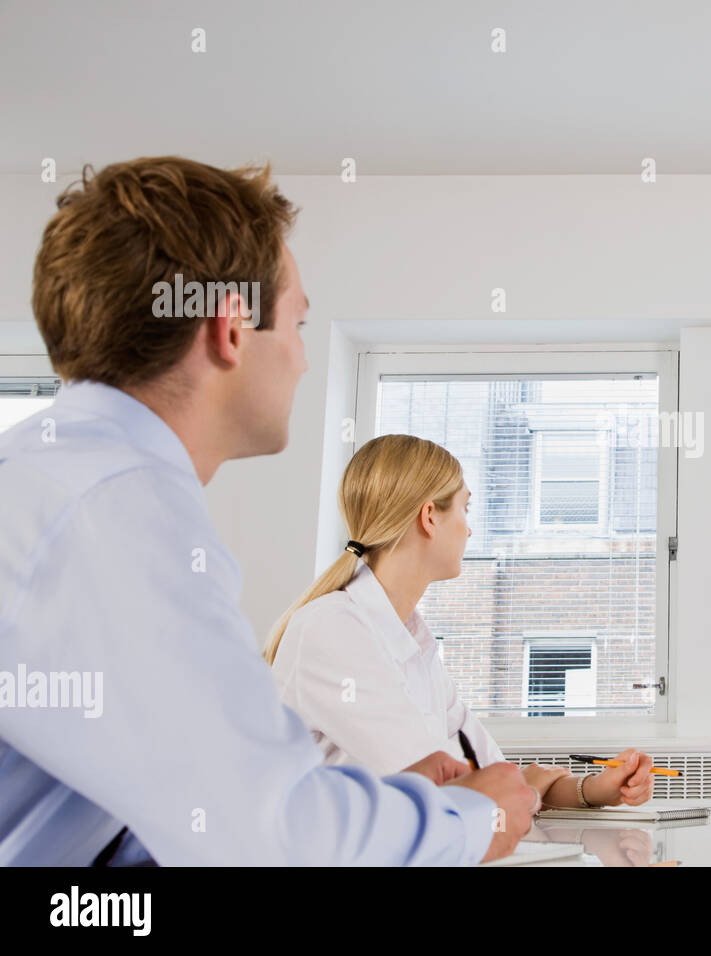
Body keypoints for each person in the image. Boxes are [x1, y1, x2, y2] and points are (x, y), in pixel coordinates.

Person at [0, 156, 536, 866]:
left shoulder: (64, 478)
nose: (304, 360)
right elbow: (268, 839)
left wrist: (373, 804)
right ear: (230, 329)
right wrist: (469, 820)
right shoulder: (116, 513)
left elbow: (182, 811)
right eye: (298, 324)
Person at [265, 433, 655, 810]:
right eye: (464, 508)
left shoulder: (415, 644)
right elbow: (444, 790)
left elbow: (489, 770)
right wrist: (523, 788)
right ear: (429, 517)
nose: (469, 529)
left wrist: (594, 788)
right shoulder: (333, 630)